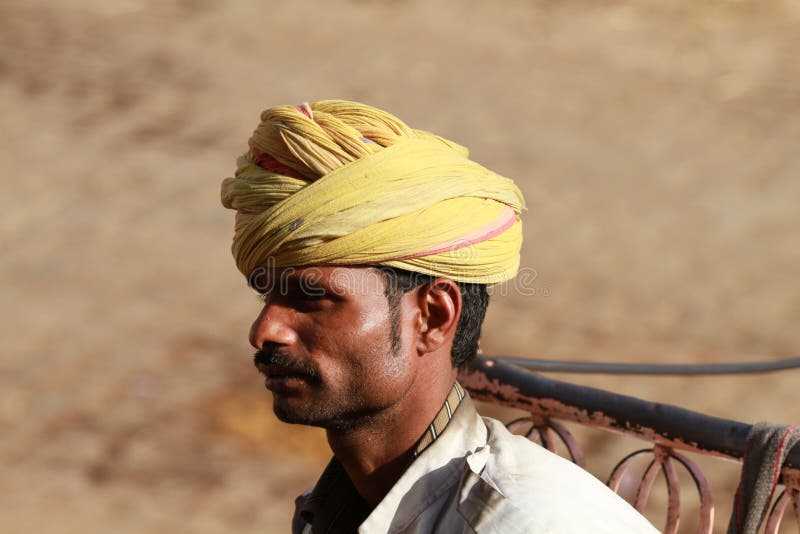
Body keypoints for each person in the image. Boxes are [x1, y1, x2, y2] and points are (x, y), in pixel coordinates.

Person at [220, 100, 658, 533]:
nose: (265, 331)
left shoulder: (527, 523)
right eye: (267, 297)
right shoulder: (333, 507)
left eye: (310, 299)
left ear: (431, 317)